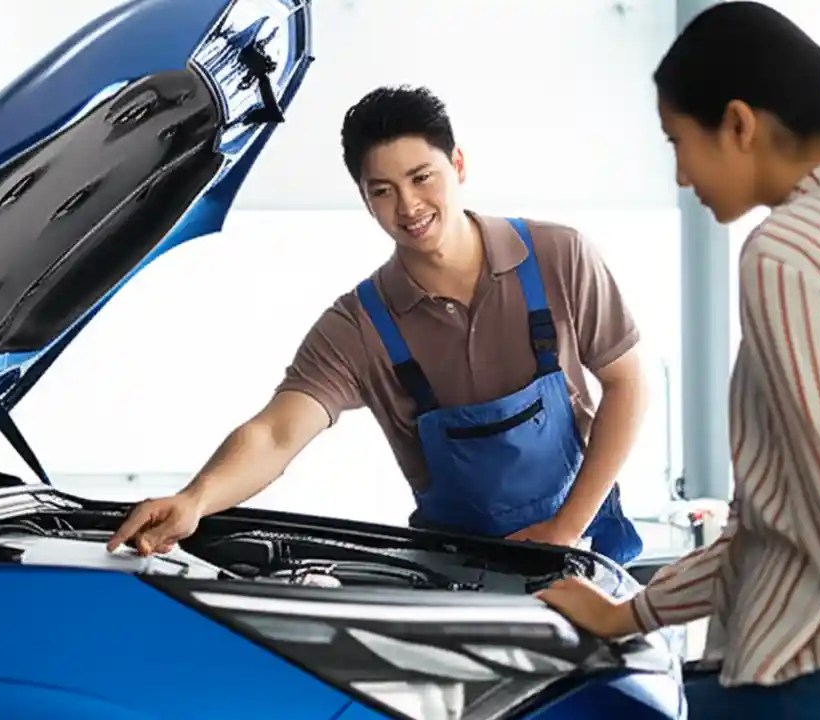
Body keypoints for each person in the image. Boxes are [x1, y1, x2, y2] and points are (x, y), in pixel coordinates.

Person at [536, 2, 820, 718]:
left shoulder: (784, 253)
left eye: (677, 141)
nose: (680, 174)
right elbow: (786, 521)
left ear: (739, 123)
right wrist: (636, 611)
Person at [107, 86, 649, 565]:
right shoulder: (359, 325)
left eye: (421, 177)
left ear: (457, 165)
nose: (408, 205)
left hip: (586, 541)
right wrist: (195, 500)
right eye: (383, 190)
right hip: (458, 571)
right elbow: (275, 432)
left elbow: (628, 384)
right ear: (365, 201)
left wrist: (565, 530)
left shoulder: (559, 255)